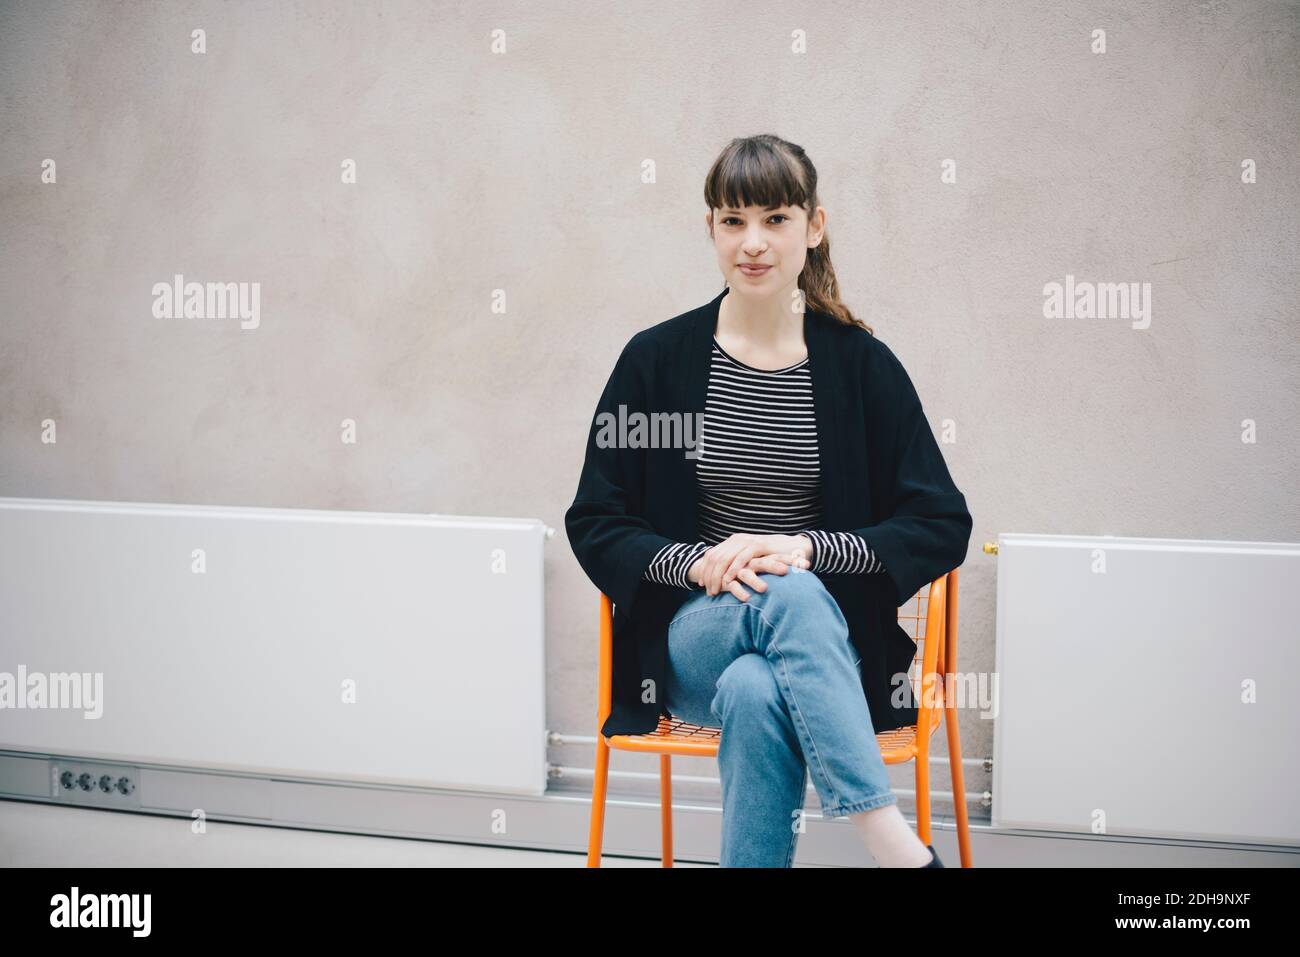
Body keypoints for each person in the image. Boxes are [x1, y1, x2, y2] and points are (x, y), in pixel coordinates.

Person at [565, 134, 972, 867]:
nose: (753, 243)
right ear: (711, 228)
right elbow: (596, 519)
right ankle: (897, 846)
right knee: (775, 600)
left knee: (757, 687)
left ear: (814, 226)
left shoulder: (861, 367)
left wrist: (809, 549)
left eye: (776, 219)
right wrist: (697, 564)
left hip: (828, 649)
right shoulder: (655, 361)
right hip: (693, 641)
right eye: (733, 220)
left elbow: (941, 522)